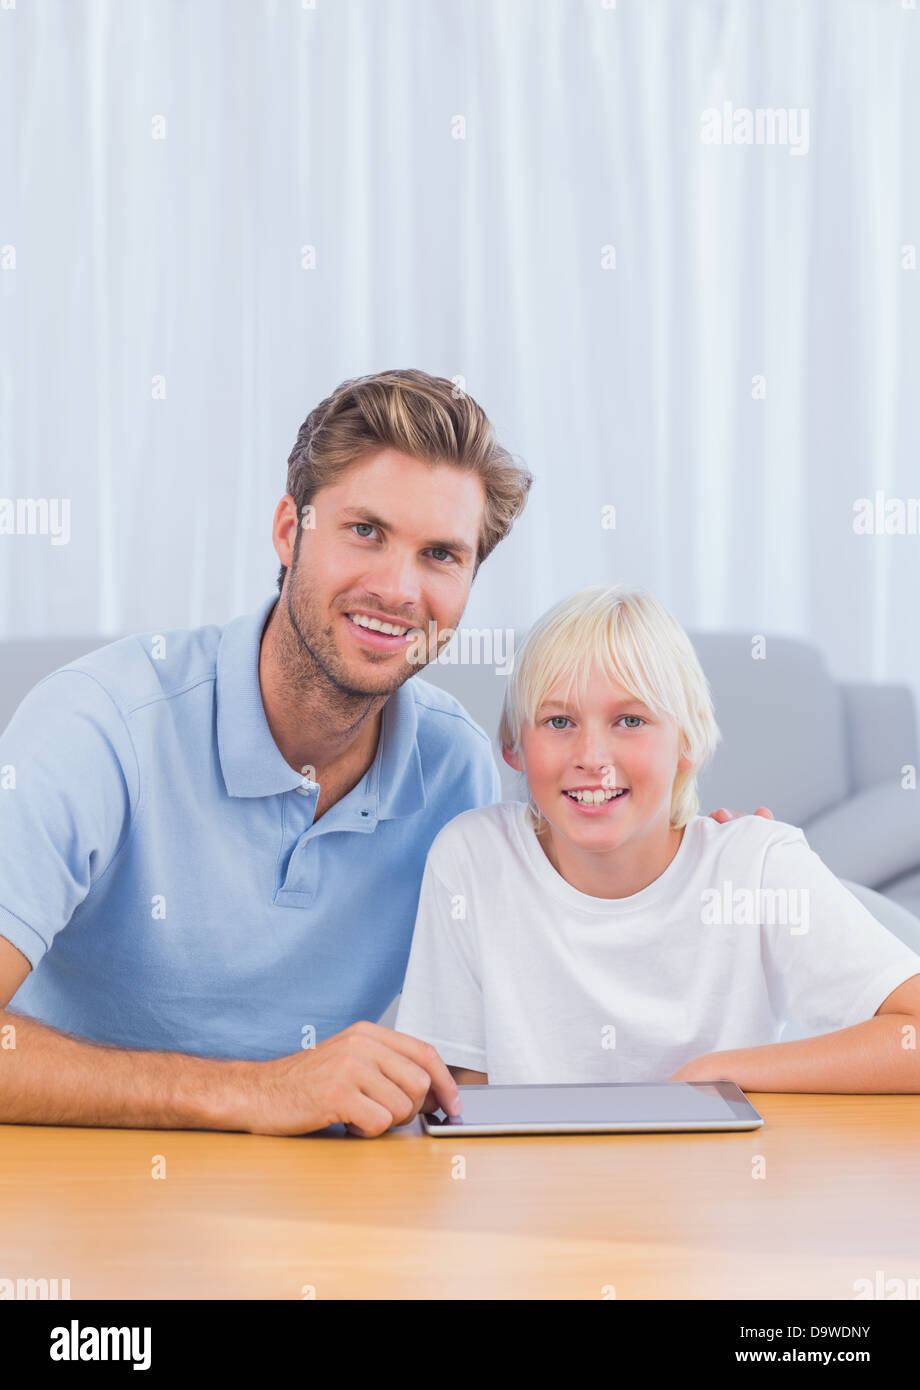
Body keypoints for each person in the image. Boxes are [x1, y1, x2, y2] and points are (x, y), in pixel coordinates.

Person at [0, 371, 770, 1140]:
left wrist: (694, 867)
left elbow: (582, 925)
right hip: (79, 1198)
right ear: (287, 529)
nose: (398, 588)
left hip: (328, 1209)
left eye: (440, 554)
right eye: (365, 531)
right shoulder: (99, 728)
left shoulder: (457, 771)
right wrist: (250, 1093)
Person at [395, 585, 920, 1093]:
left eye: (630, 720)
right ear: (513, 745)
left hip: (716, 1182)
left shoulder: (756, 867)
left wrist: (718, 1073)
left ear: (687, 742)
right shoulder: (472, 857)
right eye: (559, 721)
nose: (592, 758)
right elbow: (456, 1094)